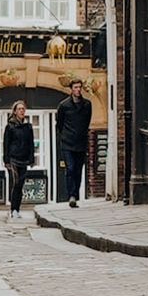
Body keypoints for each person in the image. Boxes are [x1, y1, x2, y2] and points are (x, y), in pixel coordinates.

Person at [54, 77, 93, 207]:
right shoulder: (64, 105)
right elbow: (59, 124)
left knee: (78, 170)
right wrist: (65, 135)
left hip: (81, 142)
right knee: (70, 168)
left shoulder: (87, 105)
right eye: (75, 87)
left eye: (79, 87)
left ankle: (75, 194)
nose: (78, 90)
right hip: (67, 142)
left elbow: (87, 122)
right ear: (71, 89)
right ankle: (71, 195)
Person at [1, 101, 35, 220]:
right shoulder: (10, 127)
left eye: (23, 109)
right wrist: (6, 160)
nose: (22, 111)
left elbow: (31, 143)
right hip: (13, 159)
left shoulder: (28, 127)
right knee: (15, 184)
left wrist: (31, 158)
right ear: (15, 111)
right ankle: (13, 209)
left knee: (21, 184)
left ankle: (18, 208)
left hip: (24, 159)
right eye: (19, 109)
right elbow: (6, 144)